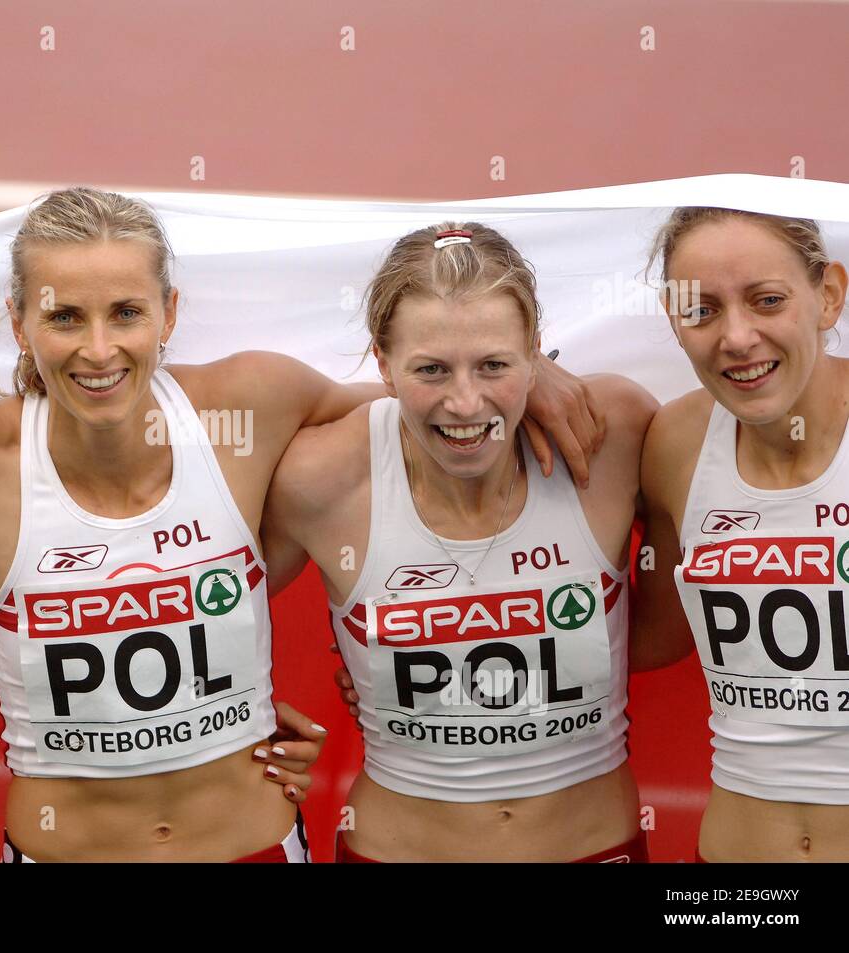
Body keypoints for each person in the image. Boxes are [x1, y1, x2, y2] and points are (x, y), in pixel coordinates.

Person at [0, 188, 602, 861]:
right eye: (64, 316)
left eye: (126, 313)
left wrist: (540, 380)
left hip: (254, 846)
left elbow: (429, 401)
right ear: (20, 322)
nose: (98, 349)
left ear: (170, 314)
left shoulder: (252, 403)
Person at [266, 222, 658, 861]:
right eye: (431, 370)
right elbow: (200, 587)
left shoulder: (613, 434)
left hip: (593, 845)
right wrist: (232, 717)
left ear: (536, 348)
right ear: (382, 363)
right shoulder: (323, 477)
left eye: (494, 365)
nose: (465, 401)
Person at [633, 208, 849, 862]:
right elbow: (646, 640)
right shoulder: (672, 444)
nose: (737, 336)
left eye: (768, 300)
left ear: (829, 295)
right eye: (701, 311)